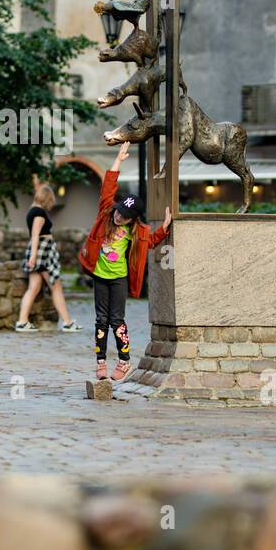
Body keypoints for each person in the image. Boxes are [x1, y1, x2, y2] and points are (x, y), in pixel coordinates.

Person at [77, 141, 172, 382]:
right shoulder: (105, 214)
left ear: (132, 220)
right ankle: (100, 362)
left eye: (124, 216)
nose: (118, 216)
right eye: (119, 211)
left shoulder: (136, 231)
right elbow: (108, 186)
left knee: (117, 320)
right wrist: (119, 160)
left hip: (119, 278)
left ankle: (124, 360)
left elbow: (149, 242)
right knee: (101, 320)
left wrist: (163, 227)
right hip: (100, 274)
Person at [14, 183, 82, 332]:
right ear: (48, 199)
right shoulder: (39, 212)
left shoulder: (32, 211)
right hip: (42, 251)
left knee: (34, 287)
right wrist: (33, 256)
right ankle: (67, 322)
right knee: (56, 287)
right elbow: (35, 235)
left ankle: (22, 321)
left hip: (39, 251)